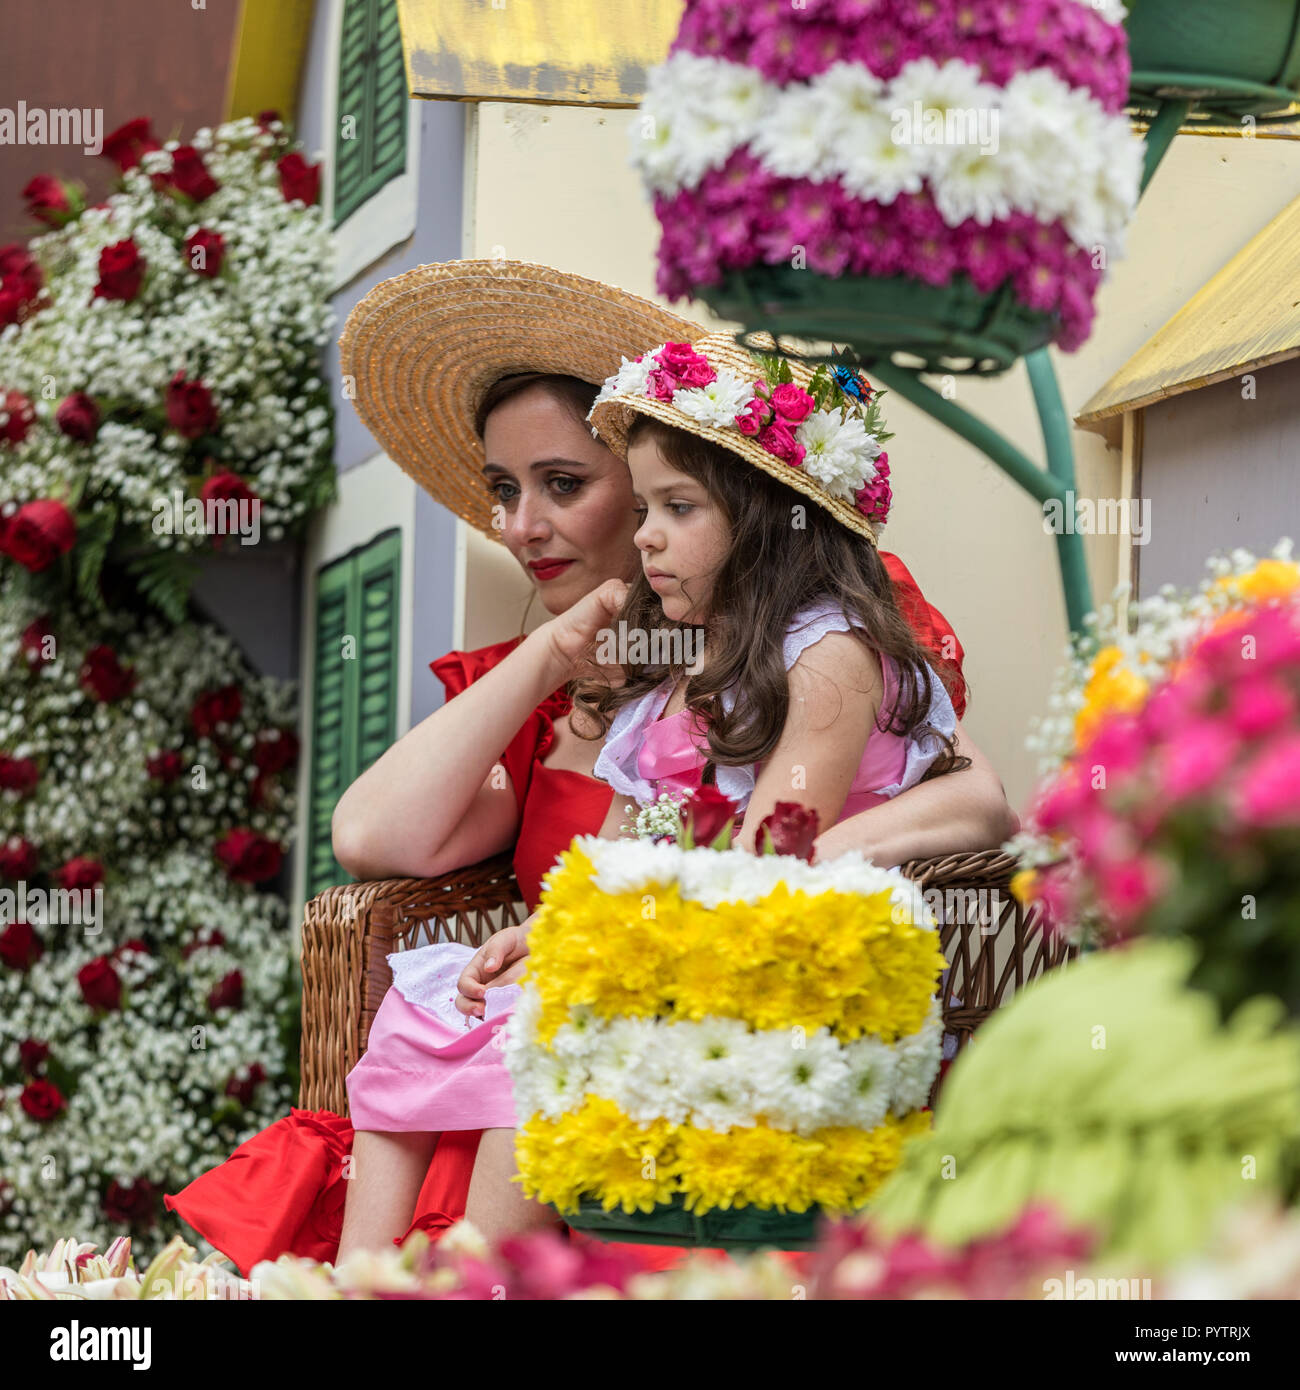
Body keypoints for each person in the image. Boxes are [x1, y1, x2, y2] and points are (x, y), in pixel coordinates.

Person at [164, 262, 1016, 1273]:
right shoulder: (630, 682)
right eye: (504, 492)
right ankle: (357, 1281)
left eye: (568, 484)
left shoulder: (822, 641)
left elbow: (938, 803)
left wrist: (817, 851)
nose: (524, 526)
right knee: (435, 998)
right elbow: (377, 839)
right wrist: (553, 655)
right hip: (614, 946)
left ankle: (469, 1274)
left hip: (699, 975)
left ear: (752, 511)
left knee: (539, 1043)